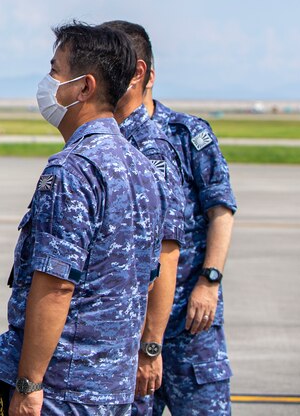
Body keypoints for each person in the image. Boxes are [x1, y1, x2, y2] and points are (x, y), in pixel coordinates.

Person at [0, 22, 161, 416]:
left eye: (55, 71)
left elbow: (56, 286)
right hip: (113, 386)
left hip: (64, 387)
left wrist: (30, 383)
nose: (47, 83)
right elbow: (146, 277)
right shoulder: (141, 167)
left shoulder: (73, 170)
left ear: (84, 87)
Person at [98, 21, 185, 413]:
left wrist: (150, 346)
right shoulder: (108, 138)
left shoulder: (150, 148)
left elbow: (166, 252)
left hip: (129, 348)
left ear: (136, 73)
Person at [143, 60, 236, 415]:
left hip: (191, 322)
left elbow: (221, 210)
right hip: (134, 327)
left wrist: (209, 281)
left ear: (146, 74)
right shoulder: (111, 138)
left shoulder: (186, 133)